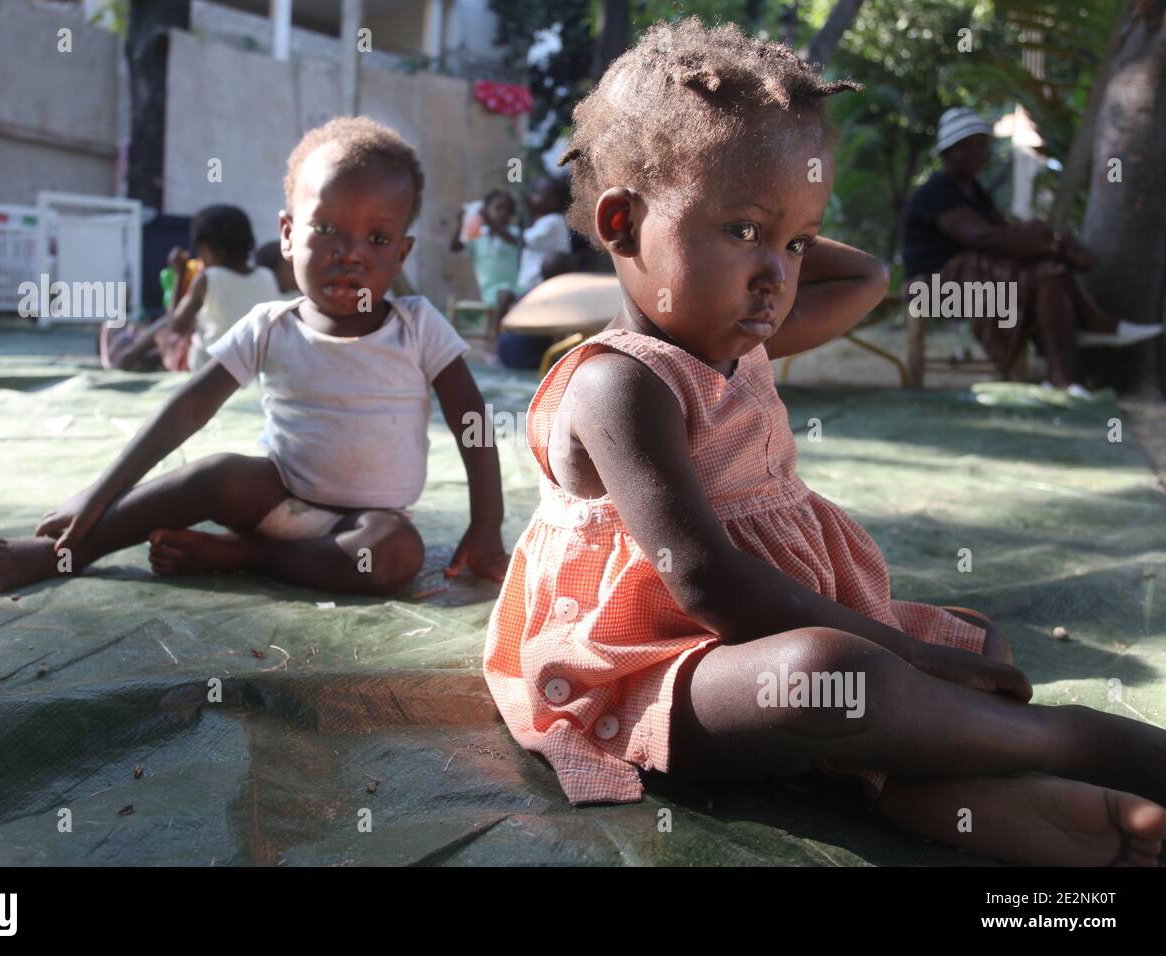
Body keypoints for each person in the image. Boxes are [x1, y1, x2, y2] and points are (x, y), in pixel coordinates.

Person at [483, 19, 1166, 865]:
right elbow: (708, 584)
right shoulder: (621, 383)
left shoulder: (739, 334)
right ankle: (1058, 746)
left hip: (769, 632)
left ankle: (929, 790)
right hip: (650, 671)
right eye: (741, 232)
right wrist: (904, 652)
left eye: (798, 242)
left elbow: (870, 277)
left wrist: (766, 216)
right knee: (831, 673)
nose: (778, 275)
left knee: (972, 639)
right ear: (621, 222)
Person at [0, 116, 509, 597]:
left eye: (377, 236)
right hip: (276, 500)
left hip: (362, 528)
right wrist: (97, 496)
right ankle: (70, 552)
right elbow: (186, 410)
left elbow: (472, 423)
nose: (350, 252)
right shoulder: (270, 325)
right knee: (216, 473)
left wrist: (486, 525)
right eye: (325, 229)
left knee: (398, 553)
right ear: (286, 235)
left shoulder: (417, 326)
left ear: (401, 253)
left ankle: (241, 557)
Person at [902, 107, 1162, 397]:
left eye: (980, 145)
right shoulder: (936, 191)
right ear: (948, 152)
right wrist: (1055, 247)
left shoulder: (975, 192)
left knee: (1047, 271)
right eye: (965, 146)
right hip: (933, 286)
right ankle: (1090, 331)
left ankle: (1062, 375)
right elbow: (983, 238)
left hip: (976, 279)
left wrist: (1043, 239)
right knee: (1043, 268)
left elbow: (1003, 233)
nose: (975, 153)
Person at [101, 206, 279, 372]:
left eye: (201, 252)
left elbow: (175, 325)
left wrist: (180, 274)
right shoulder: (267, 276)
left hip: (207, 368)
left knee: (163, 332)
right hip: (252, 367)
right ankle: (134, 355)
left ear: (213, 251)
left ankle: (130, 355)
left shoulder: (208, 279)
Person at [493, 177, 576, 369]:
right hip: (536, 282)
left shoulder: (553, 221)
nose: (534, 198)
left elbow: (527, 239)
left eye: (540, 194)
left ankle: (509, 348)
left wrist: (526, 214)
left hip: (543, 281)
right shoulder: (545, 221)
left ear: (555, 201)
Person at [449, 189, 521, 344]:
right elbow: (455, 247)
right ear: (487, 210)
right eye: (498, 209)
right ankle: (497, 338)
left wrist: (486, 218)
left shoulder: (513, 233)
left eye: (507, 211)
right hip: (489, 291)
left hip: (514, 288)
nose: (503, 213)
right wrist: (460, 223)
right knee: (503, 294)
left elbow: (513, 240)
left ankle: (496, 337)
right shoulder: (477, 236)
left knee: (506, 293)